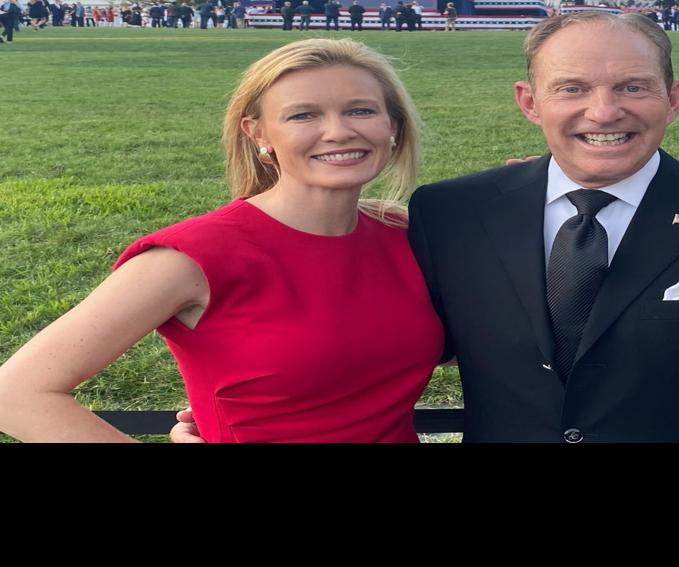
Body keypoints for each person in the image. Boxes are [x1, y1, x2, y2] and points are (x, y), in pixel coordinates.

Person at [401, 12, 679, 442]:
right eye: (572, 88)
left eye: (632, 87)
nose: (604, 112)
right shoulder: (450, 213)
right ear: (530, 102)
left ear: (673, 98)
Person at [0, 39, 442, 442]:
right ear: (259, 134)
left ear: (393, 126)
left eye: (360, 110)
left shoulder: (406, 235)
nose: (339, 131)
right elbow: (16, 394)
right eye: (303, 114)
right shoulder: (191, 257)